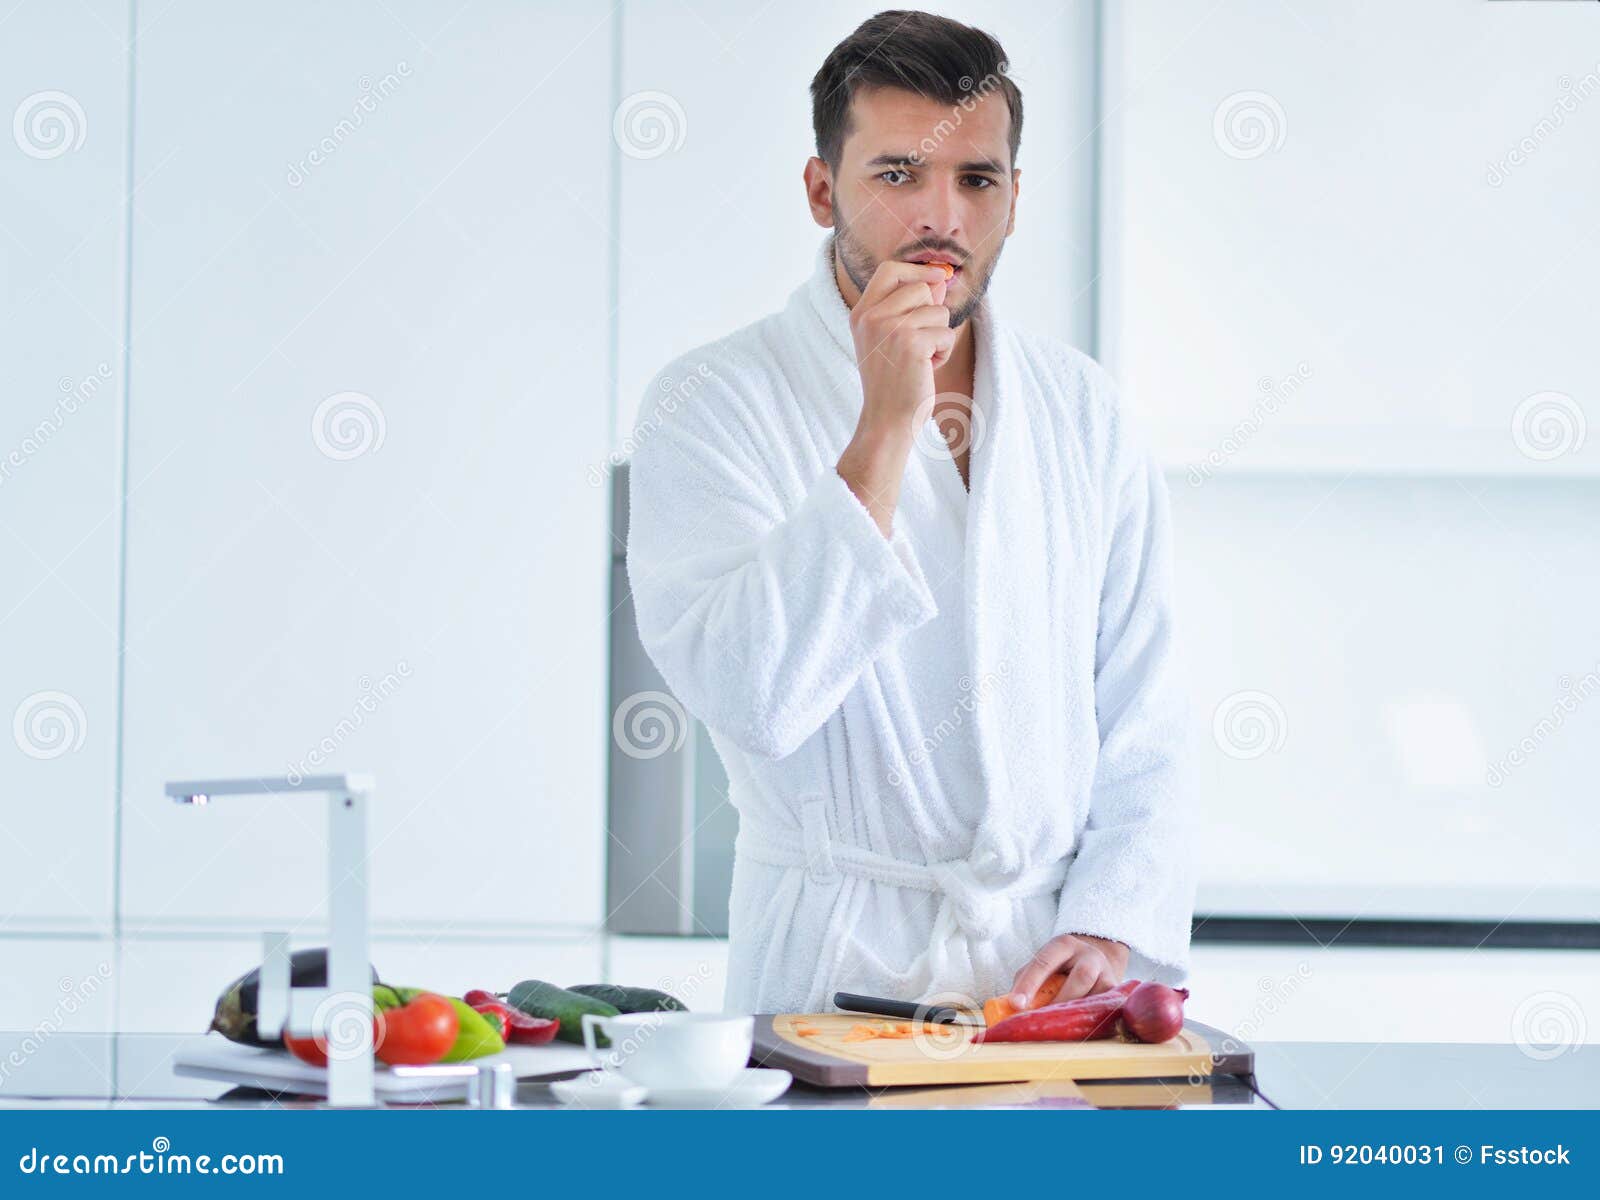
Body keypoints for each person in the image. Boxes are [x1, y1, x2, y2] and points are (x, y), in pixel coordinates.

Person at [626, 10, 1194, 1017]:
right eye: (896, 176)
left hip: (1044, 983)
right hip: (832, 974)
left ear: (1014, 199)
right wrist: (886, 422)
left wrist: (1110, 922)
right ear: (820, 191)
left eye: (976, 180)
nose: (942, 218)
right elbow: (750, 695)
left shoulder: (1083, 410)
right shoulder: (709, 401)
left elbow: (1145, 706)